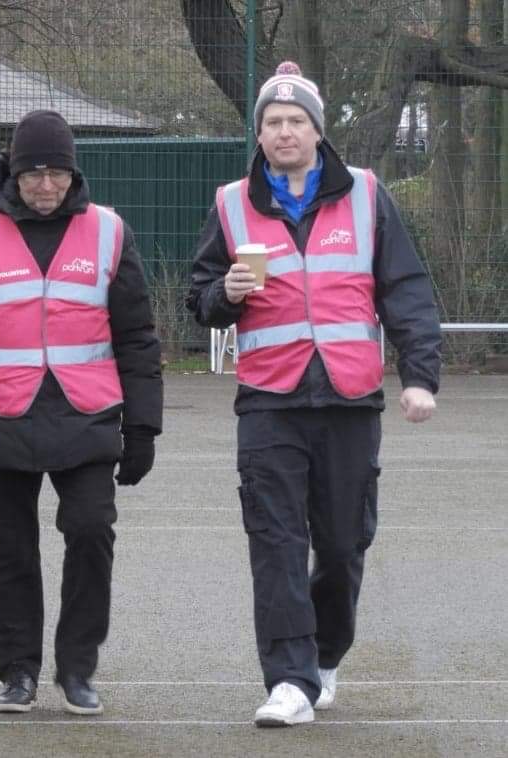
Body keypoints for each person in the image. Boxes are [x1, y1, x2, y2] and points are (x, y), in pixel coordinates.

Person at [186, 62, 441, 727]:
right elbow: (201, 300)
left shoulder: (365, 195)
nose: (284, 131)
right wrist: (225, 296)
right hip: (269, 401)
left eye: (296, 121)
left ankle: (326, 655)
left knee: (343, 543)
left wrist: (419, 376)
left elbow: (406, 292)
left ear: (318, 131)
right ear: (260, 133)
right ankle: (290, 681)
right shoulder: (231, 203)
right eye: (272, 121)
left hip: (350, 399)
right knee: (274, 539)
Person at [0, 109, 163, 716]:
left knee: (92, 530)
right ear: (12, 174)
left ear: (74, 174)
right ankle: (18, 671)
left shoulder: (108, 232)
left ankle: (77, 667)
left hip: (87, 414)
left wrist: (144, 427)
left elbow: (137, 337)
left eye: (57, 174)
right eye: (33, 174)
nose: (46, 186)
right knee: (11, 550)